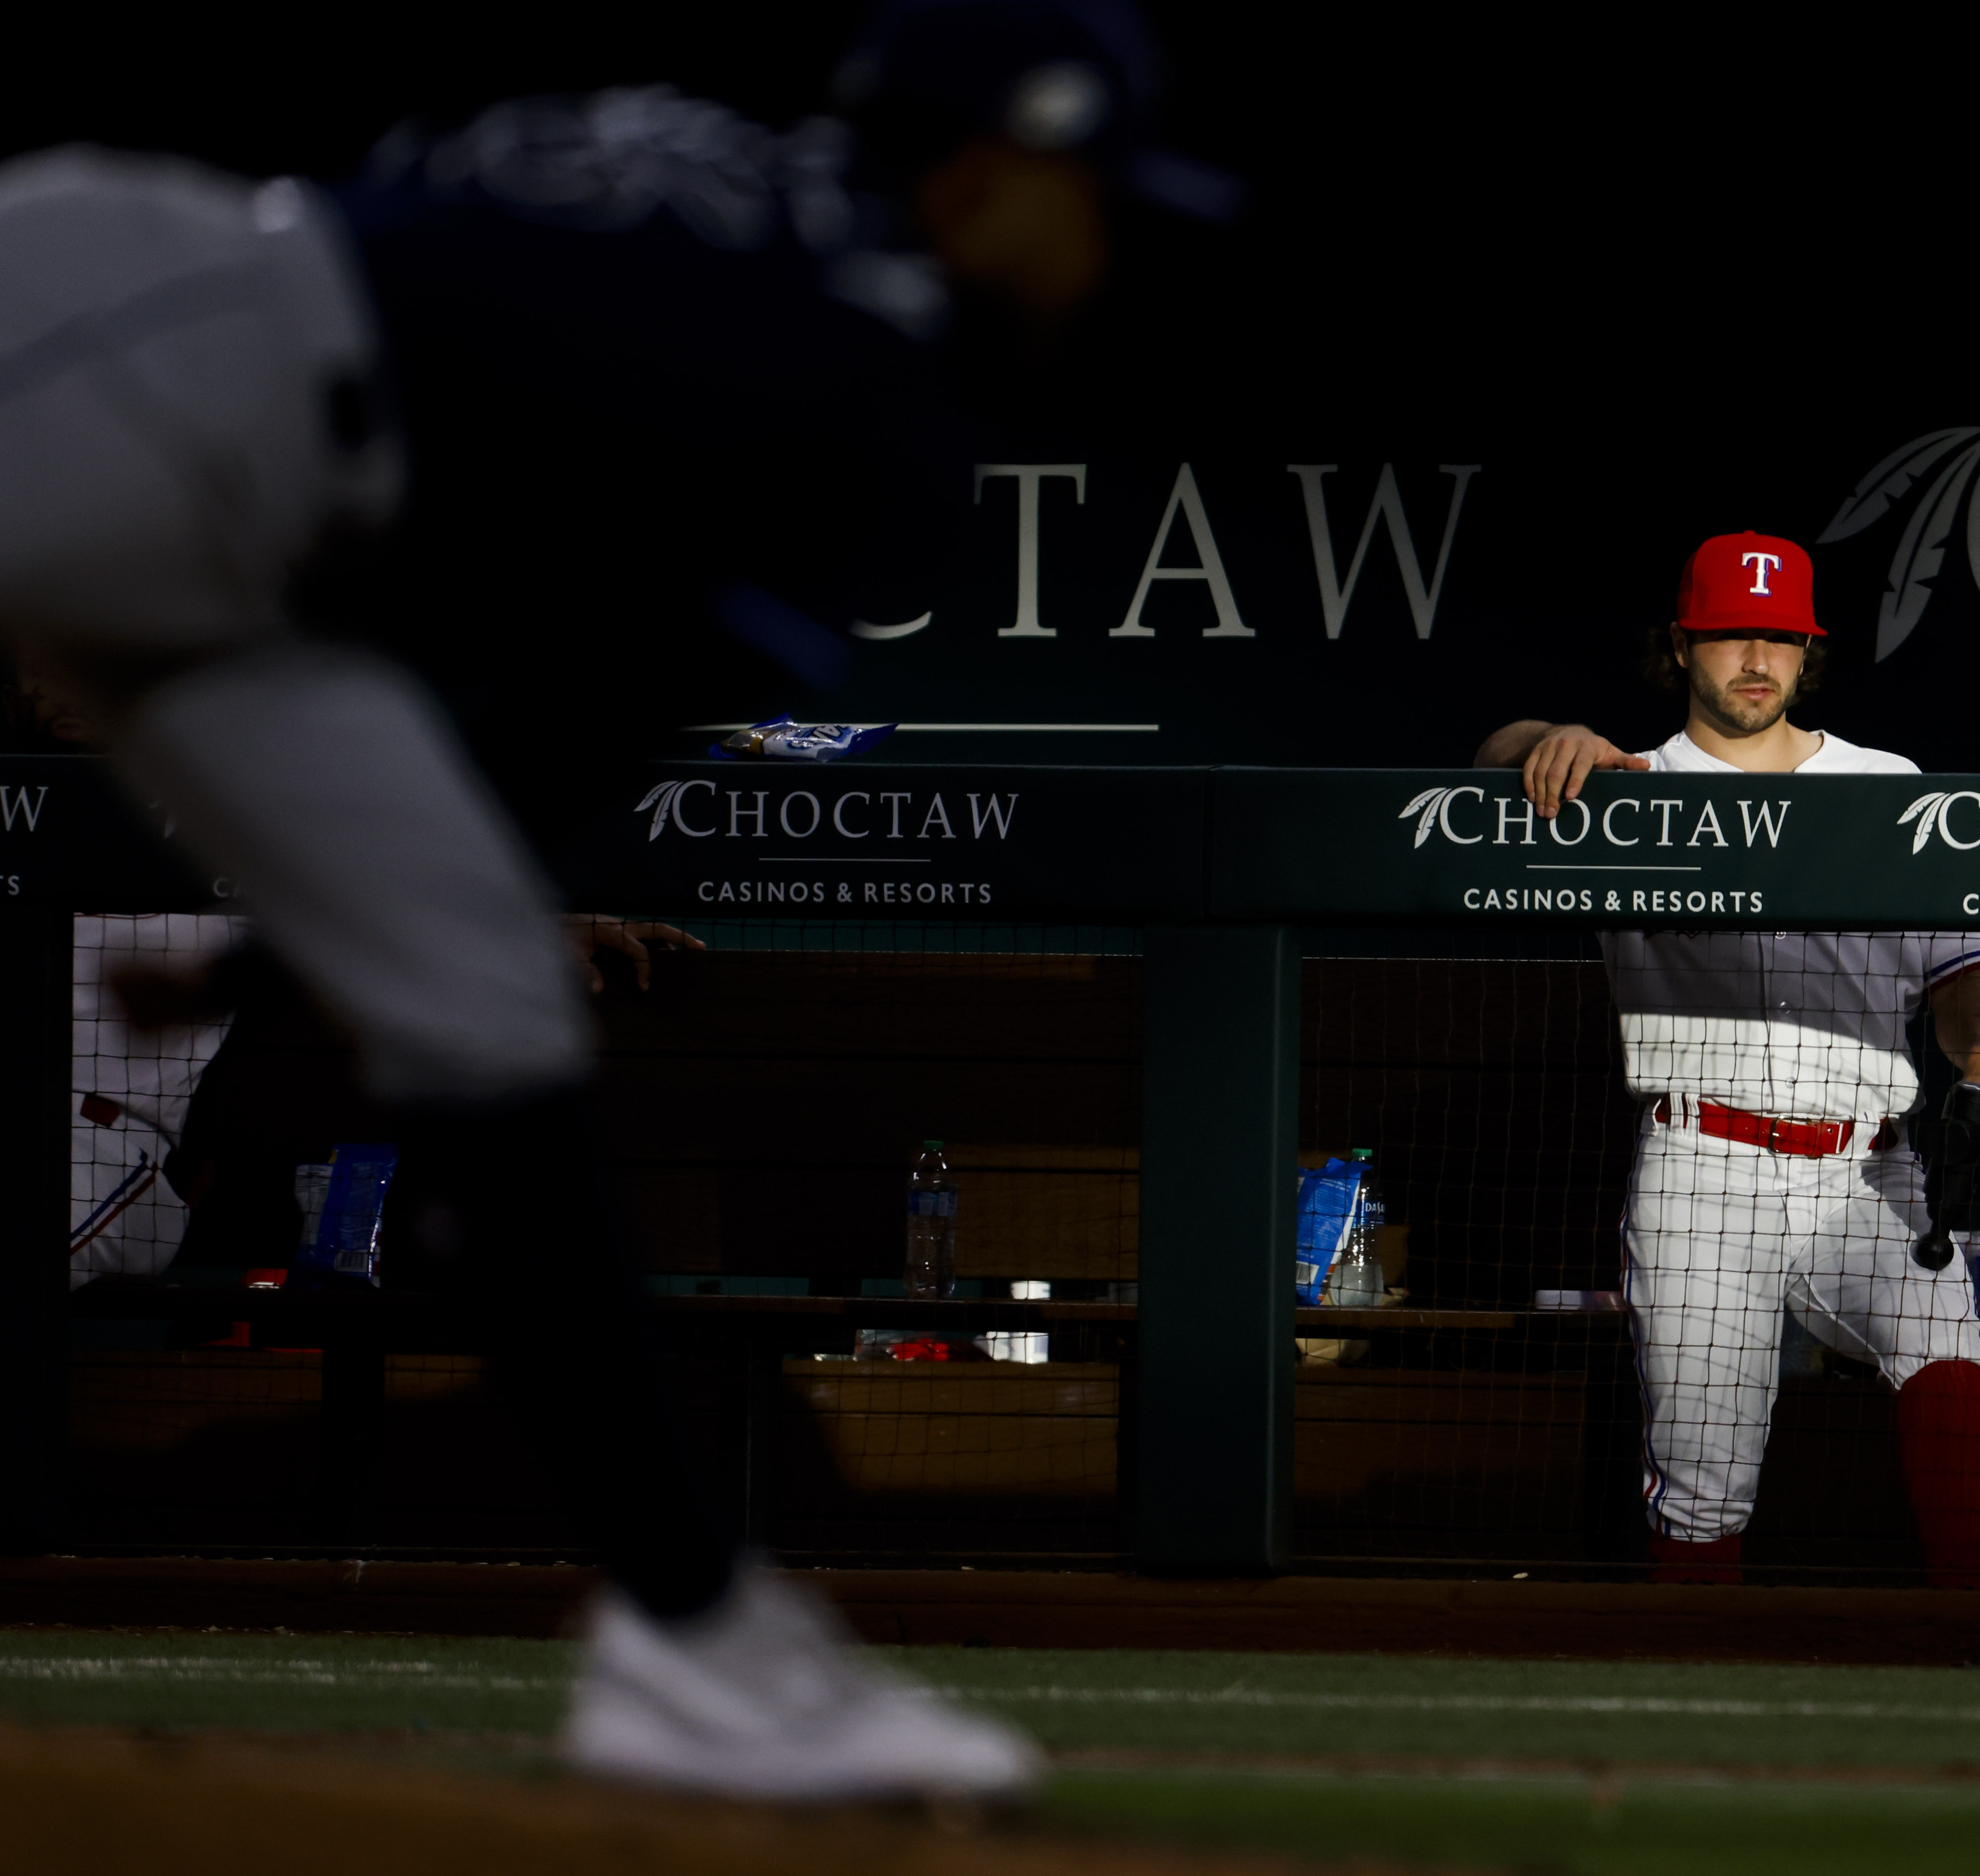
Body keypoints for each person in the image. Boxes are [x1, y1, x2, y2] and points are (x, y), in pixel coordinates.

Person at [0, 0, 1226, 1802]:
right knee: (476, 970)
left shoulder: (690, 172)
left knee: (485, 1007)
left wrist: (297, 934)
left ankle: (695, 1645)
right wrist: (316, 929)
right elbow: (587, 715)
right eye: (1093, 193)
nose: (1105, 245)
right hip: (127, 345)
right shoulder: (870, 360)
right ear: (984, 172)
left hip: (228, 514)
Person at [1476, 531, 1980, 1590]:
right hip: (1702, 1171)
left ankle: (1970, 1646)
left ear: (1808, 652)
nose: (1758, 658)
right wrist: (1551, 738)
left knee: (1948, 1363)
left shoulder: (1888, 785)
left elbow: (1964, 971)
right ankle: (1697, 1684)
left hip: (1865, 1172)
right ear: (1681, 646)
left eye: (1781, 637)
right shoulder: (1625, 784)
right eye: (1732, 633)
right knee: (1703, 1485)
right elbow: (1493, 754)